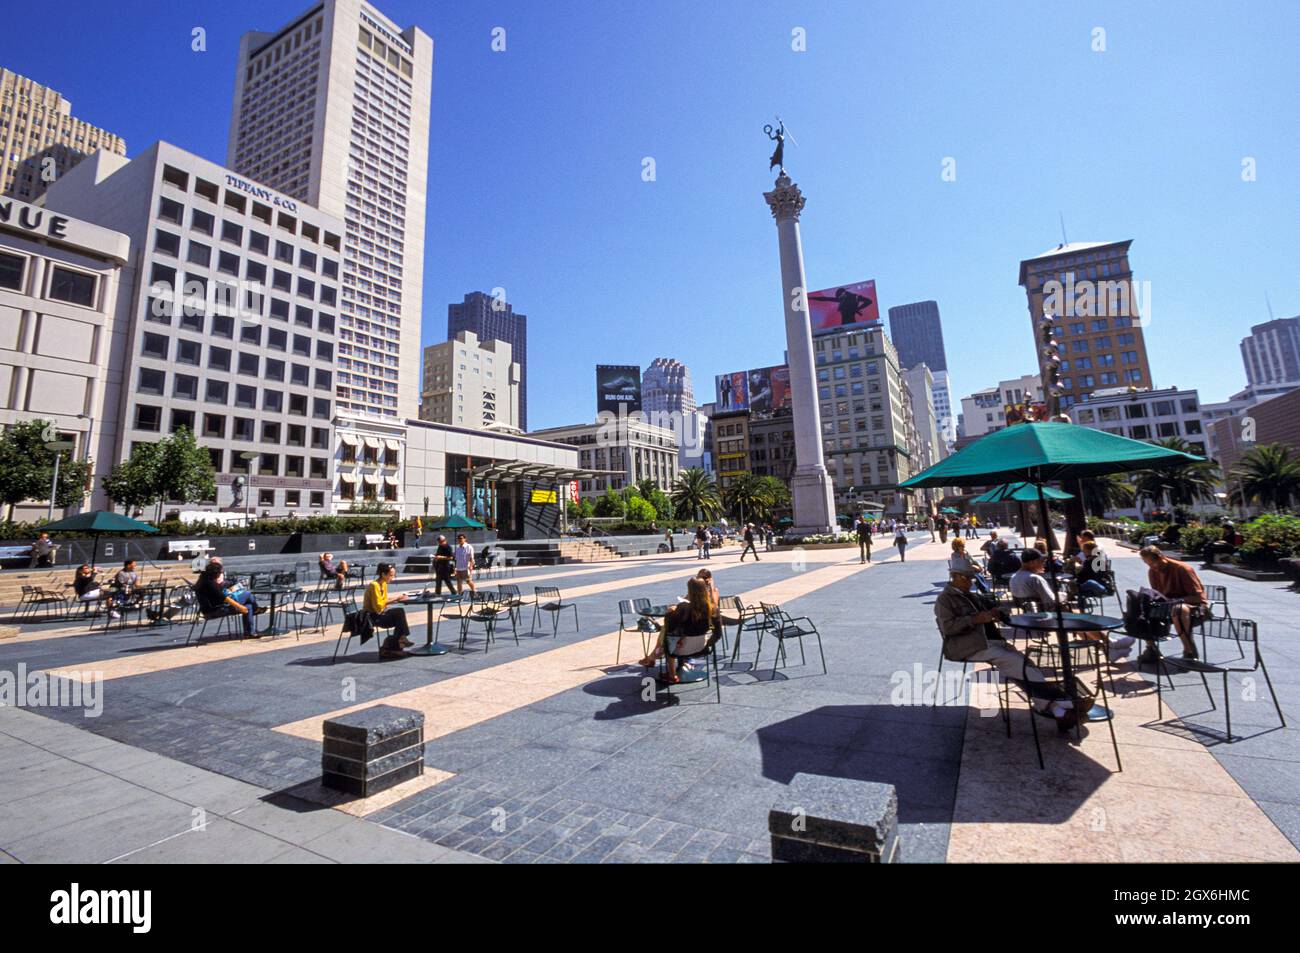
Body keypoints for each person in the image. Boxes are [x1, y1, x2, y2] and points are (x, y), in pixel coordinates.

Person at [935, 568, 1080, 731]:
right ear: (954, 577)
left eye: (971, 579)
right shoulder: (945, 600)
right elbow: (948, 627)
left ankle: (1053, 707)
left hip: (992, 642)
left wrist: (999, 612)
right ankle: (1059, 704)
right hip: (969, 645)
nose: (969, 582)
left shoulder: (972, 596)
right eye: (965, 578)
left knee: (1024, 664)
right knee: (1016, 662)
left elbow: (1002, 607)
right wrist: (974, 619)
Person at [1013, 549, 1132, 662]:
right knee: (1081, 619)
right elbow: (1052, 600)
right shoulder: (1035, 578)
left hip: (1031, 618)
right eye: (1041, 561)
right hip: (1047, 617)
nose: (1044, 564)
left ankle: (1108, 649)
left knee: (1075, 621)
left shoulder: (1014, 577)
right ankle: (1110, 643)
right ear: (1033, 562)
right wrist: (1066, 595)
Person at [636, 576, 723, 683]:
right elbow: (718, 634)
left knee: (667, 636)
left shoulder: (683, 608)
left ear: (690, 590)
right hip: (701, 648)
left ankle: (667, 669)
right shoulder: (713, 609)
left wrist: (670, 613)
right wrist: (707, 644)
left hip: (679, 650)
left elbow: (670, 628)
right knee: (670, 637)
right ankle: (655, 655)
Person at [1139, 545, 1208, 658]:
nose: (1152, 567)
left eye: (1153, 563)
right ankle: (1151, 648)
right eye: (1148, 564)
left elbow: (1198, 597)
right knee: (1140, 608)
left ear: (1161, 557)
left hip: (1194, 606)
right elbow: (1158, 594)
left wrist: (1176, 600)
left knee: (1178, 609)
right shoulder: (1152, 571)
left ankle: (1188, 651)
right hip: (1168, 605)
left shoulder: (1182, 569)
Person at [195, 563, 266, 637]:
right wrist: (240, 606)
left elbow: (219, 594)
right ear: (216, 573)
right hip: (216, 610)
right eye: (221, 572)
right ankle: (256, 610)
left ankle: (250, 633)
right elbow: (224, 598)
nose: (221, 574)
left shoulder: (203, 580)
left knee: (249, 606)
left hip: (211, 608)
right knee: (248, 595)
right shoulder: (209, 583)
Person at [364, 562, 413, 659]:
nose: (392, 578)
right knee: (399, 615)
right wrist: (396, 599)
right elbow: (378, 607)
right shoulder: (375, 585)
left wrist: (399, 599)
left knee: (399, 612)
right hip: (372, 617)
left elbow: (384, 601)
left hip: (380, 613)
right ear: (383, 574)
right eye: (391, 575)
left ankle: (396, 644)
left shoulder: (384, 584)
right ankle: (398, 643)